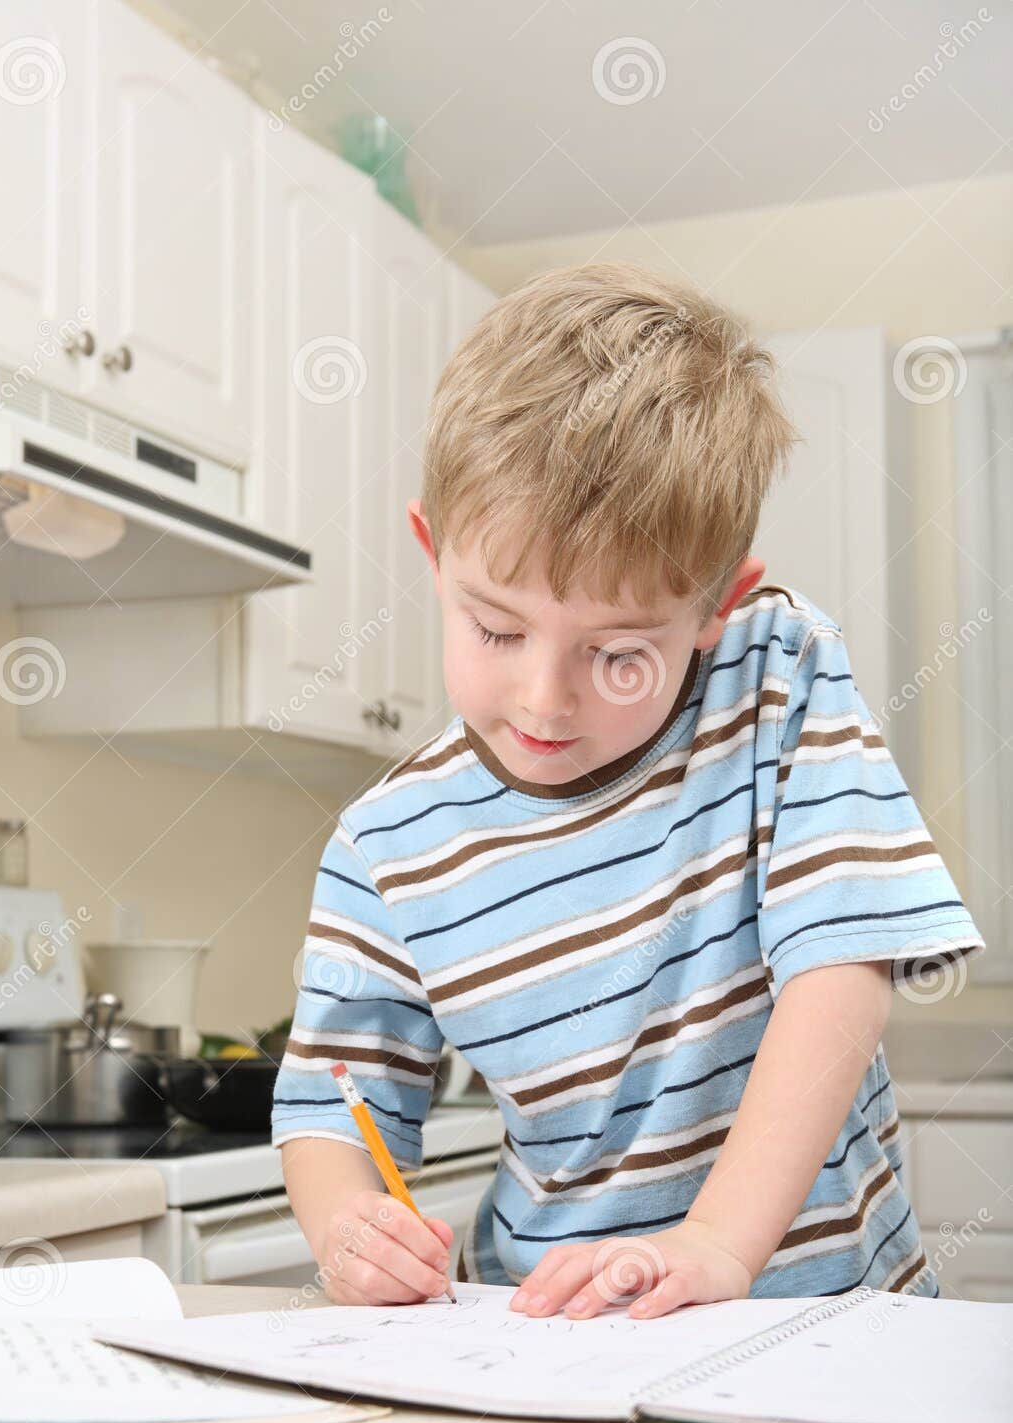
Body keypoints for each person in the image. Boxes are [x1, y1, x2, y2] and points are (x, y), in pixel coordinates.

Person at [272, 262, 984, 1319]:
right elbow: (334, 1105)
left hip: (825, 1310)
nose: (543, 697)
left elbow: (840, 971)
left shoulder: (774, 675)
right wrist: (346, 1233)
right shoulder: (386, 842)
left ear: (712, 608)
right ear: (433, 553)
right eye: (496, 628)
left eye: (616, 652)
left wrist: (713, 1246)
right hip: (549, 1333)